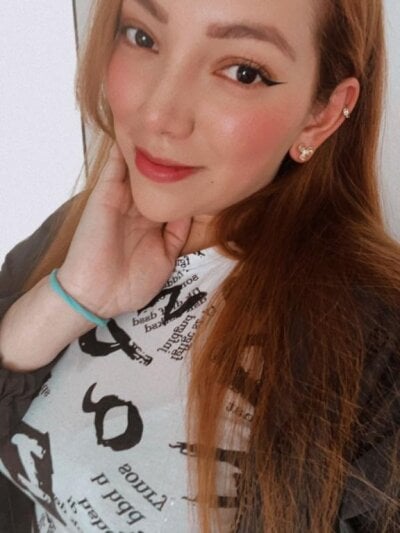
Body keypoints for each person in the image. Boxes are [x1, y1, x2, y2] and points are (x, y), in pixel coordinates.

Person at [0, 0, 399, 531]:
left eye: (243, 72)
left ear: (322, 114)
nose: (158, 115)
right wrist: (67, 301)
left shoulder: (380, 353)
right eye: (142, 37)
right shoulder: (86, 226)